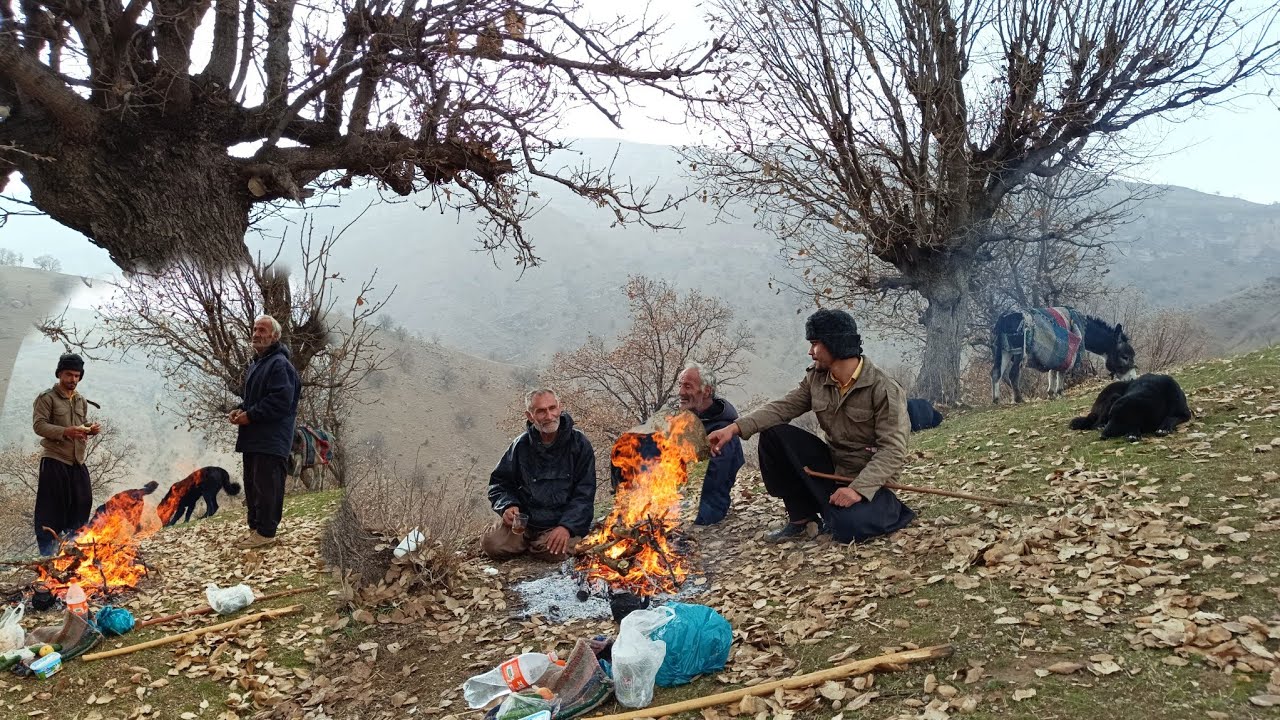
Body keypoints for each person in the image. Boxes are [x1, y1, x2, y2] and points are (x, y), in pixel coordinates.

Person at [707, 309, 916, 544]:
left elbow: (893, 451)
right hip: (832, 466)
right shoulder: (816, 379)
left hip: (869, 478)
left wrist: (857, 490)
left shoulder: (883, 389)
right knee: (774, 435)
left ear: (835, 344)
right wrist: (733, 429)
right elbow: (782, 408)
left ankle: (884, 509)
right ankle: (801, 518)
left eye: (815, 344)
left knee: (847, 528)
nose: (811, 352)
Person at [483, 389, 596, 561]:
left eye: (552, 408)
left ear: (560, 407)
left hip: (559, 523)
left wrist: (566, 527)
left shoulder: (579, 444)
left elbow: (585, 494)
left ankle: (542, 544)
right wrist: (507, 505)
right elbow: (499, 483)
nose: (549, 416)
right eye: (541, 411)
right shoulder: (520, 446)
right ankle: (532, 544)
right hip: (525, 524)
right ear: (530, 416)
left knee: (554, 551)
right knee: (492, 544)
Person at [228, 315, 301, 549]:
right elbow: (254, 400)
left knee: (267, 485)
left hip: (271, 438)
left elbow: (281, 401)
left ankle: (266, 533)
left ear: (275, 336)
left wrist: (250, 416)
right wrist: (240, 411)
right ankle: (256, 530)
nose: (257, 334)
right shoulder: (258, 363)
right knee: (253, 485)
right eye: (255, 329)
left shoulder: (280, 364)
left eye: (262, 330)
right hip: (254, 438)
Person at [31, 353, 101, 556]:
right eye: (69, 374)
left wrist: (89, 430)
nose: (73, 380)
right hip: (54, 460)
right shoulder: (47, 398)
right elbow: (39, 426)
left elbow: (81, 424)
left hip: (77, 461)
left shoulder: (80, 400)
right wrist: (64, 432)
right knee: (50, 510)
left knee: (82, 502)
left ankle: (71, 551)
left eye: (77, 375)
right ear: (59, 374)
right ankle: (47, 556)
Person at [675, 364, 744, 525]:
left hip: (706, 507)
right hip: (677, 499)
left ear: (706, 391)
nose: (680, 392)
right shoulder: (684, 418)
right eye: (680, 385)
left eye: (687, 386)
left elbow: (711, 481)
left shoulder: (723, 432)